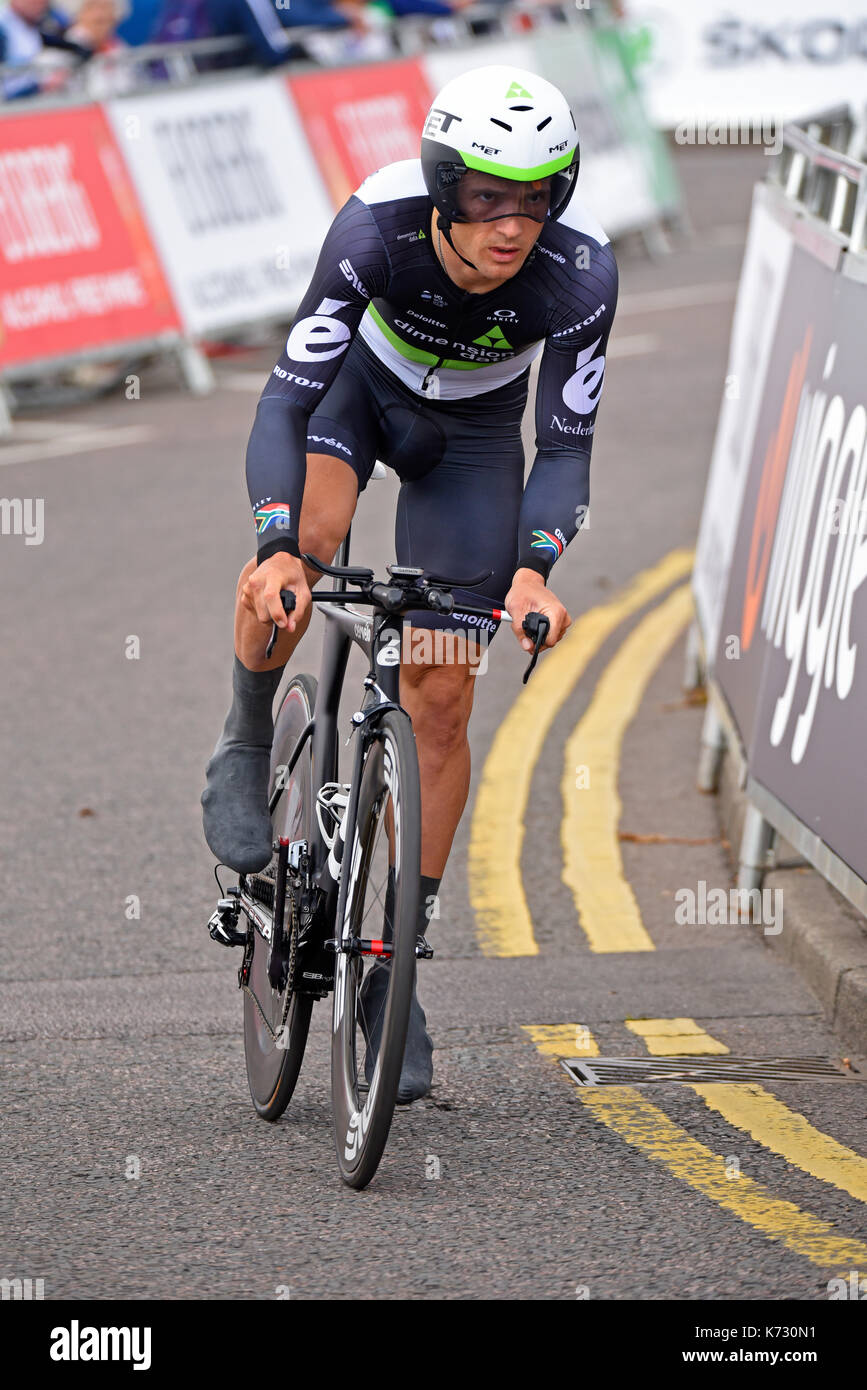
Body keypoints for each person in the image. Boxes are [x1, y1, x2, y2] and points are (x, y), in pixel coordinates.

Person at [202, 65, 618, 1103]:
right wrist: (277, 542)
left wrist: (534, 572)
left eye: (538, 196)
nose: (512, 224)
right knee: (310, 541)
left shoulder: (580, 276)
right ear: (443, 185)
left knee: (438, 696)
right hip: (355, 402)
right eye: (487, 196)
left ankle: (393, 966)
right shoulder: (372, 232)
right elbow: (283, 407)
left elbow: (563, 449)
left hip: (472, 444)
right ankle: (248, 730)